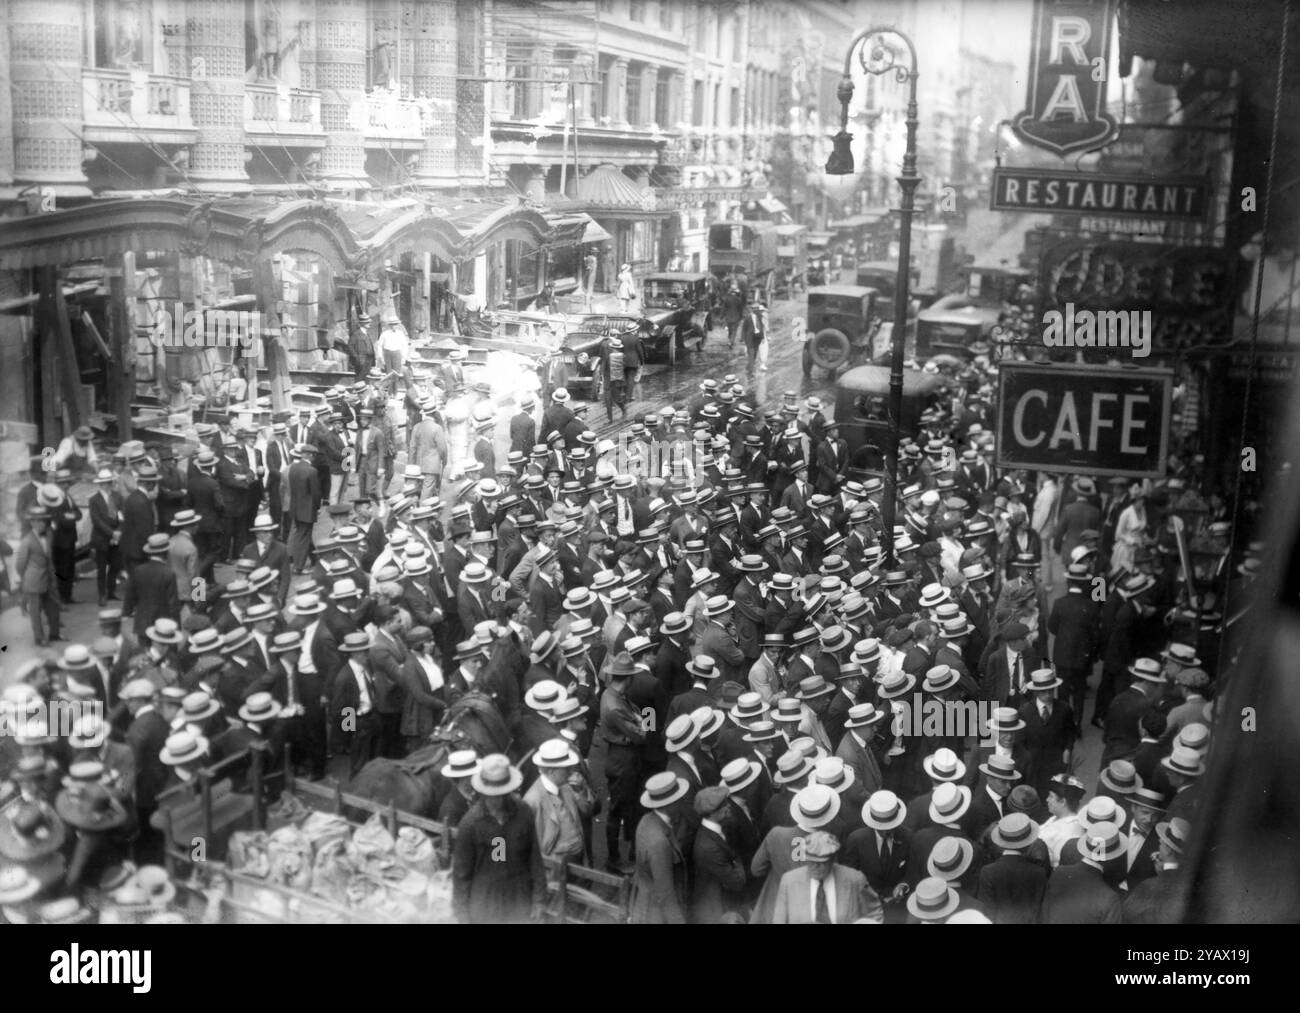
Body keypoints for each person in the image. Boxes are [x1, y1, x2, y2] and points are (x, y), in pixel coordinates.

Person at [451, 754, 547, 923]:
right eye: (493, 794)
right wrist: (462, 916)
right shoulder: (470, 825)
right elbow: (461, 875)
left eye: (503, 793)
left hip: (519, 901)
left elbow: (535, 860)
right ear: (483, 793)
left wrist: (539, 901)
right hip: (485, 906)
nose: (499, 799)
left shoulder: (524, 813)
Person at [772, 830, 882, 924]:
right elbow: (779, 920)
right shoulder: (789, 881)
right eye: (811, 861)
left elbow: (874, 912)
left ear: (832, 859)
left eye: (821, 862)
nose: (816, 866)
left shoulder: (855, 879)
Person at [629, 772, 690, 924]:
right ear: (669, 804)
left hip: (644, 903)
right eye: (679, 799)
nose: (683, 802)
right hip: (655, 915)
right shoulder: (659, 843)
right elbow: (665, 893)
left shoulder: (647, 820)